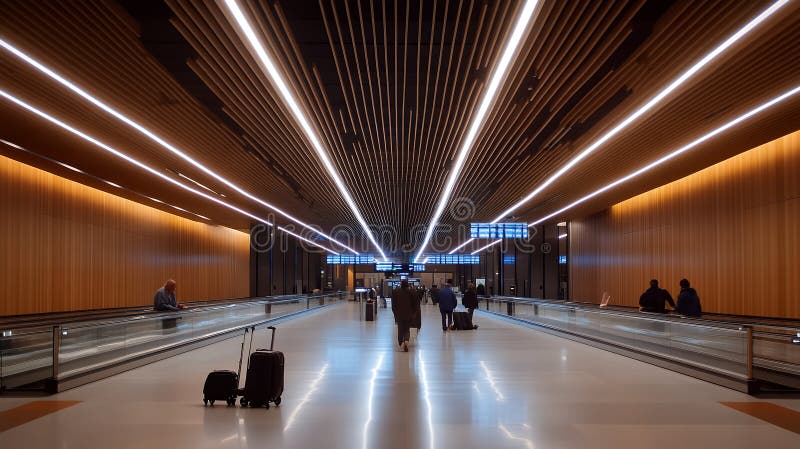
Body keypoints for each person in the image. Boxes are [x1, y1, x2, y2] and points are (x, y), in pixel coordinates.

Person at [391, 280, 420, 352]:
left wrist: (395, 314)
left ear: (401, 284)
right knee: (407, 329)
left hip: (399, 314)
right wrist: (414, 314)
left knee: (400, 329)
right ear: (408, 285)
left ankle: (401, 343)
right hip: (409, 314)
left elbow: (393, 305)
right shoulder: (412, 292)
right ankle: (406, 340)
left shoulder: (396, 292)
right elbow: (416, 304)